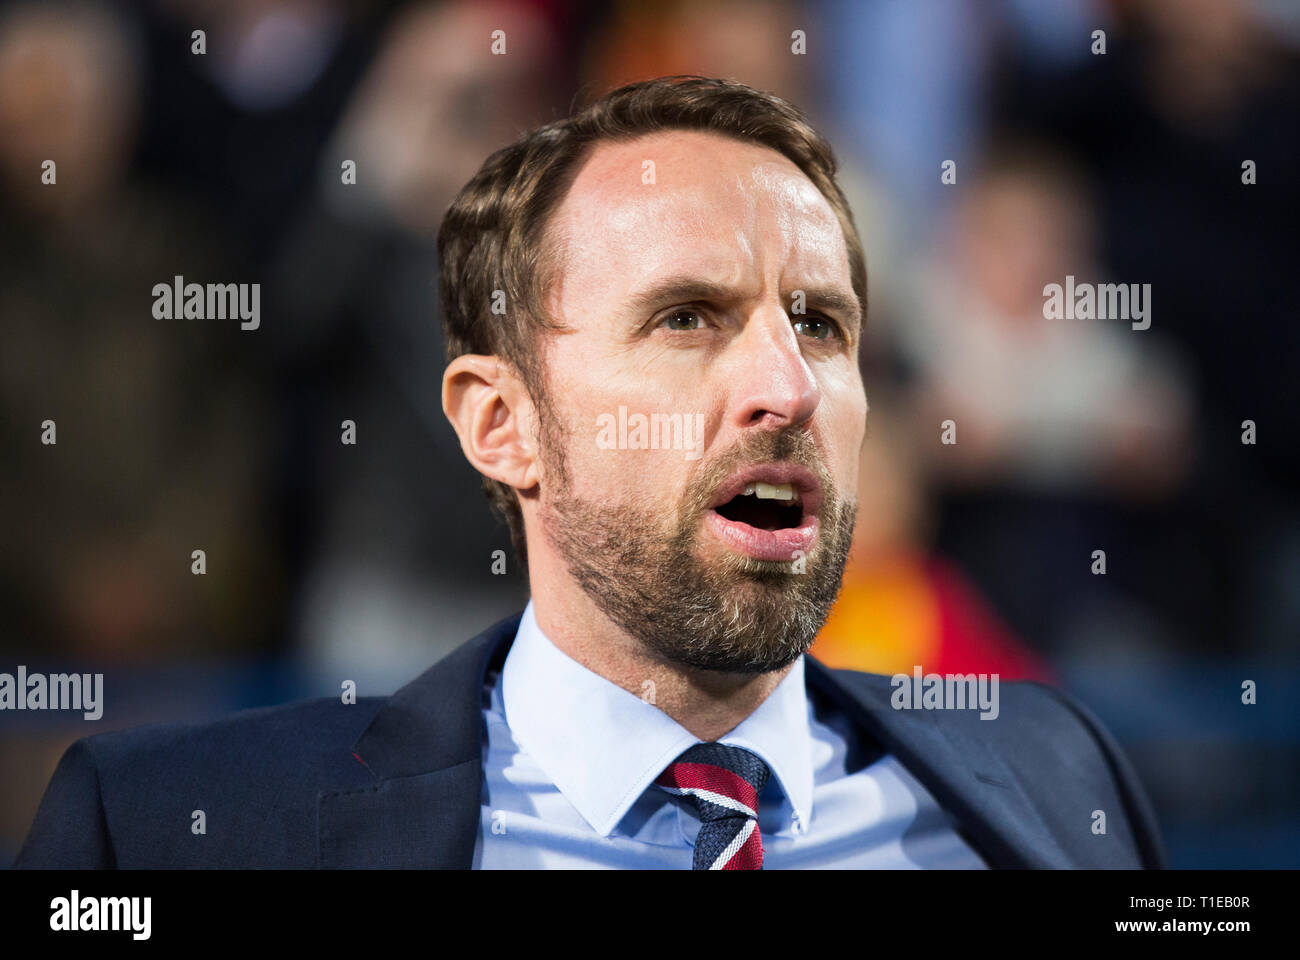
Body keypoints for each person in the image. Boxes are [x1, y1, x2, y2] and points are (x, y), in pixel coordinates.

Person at [15, 76, 1163, 869]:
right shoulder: (175, 828)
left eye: (819, 323)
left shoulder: (1063, 774)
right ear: (502, 424)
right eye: (685, 317)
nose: (788, 385)